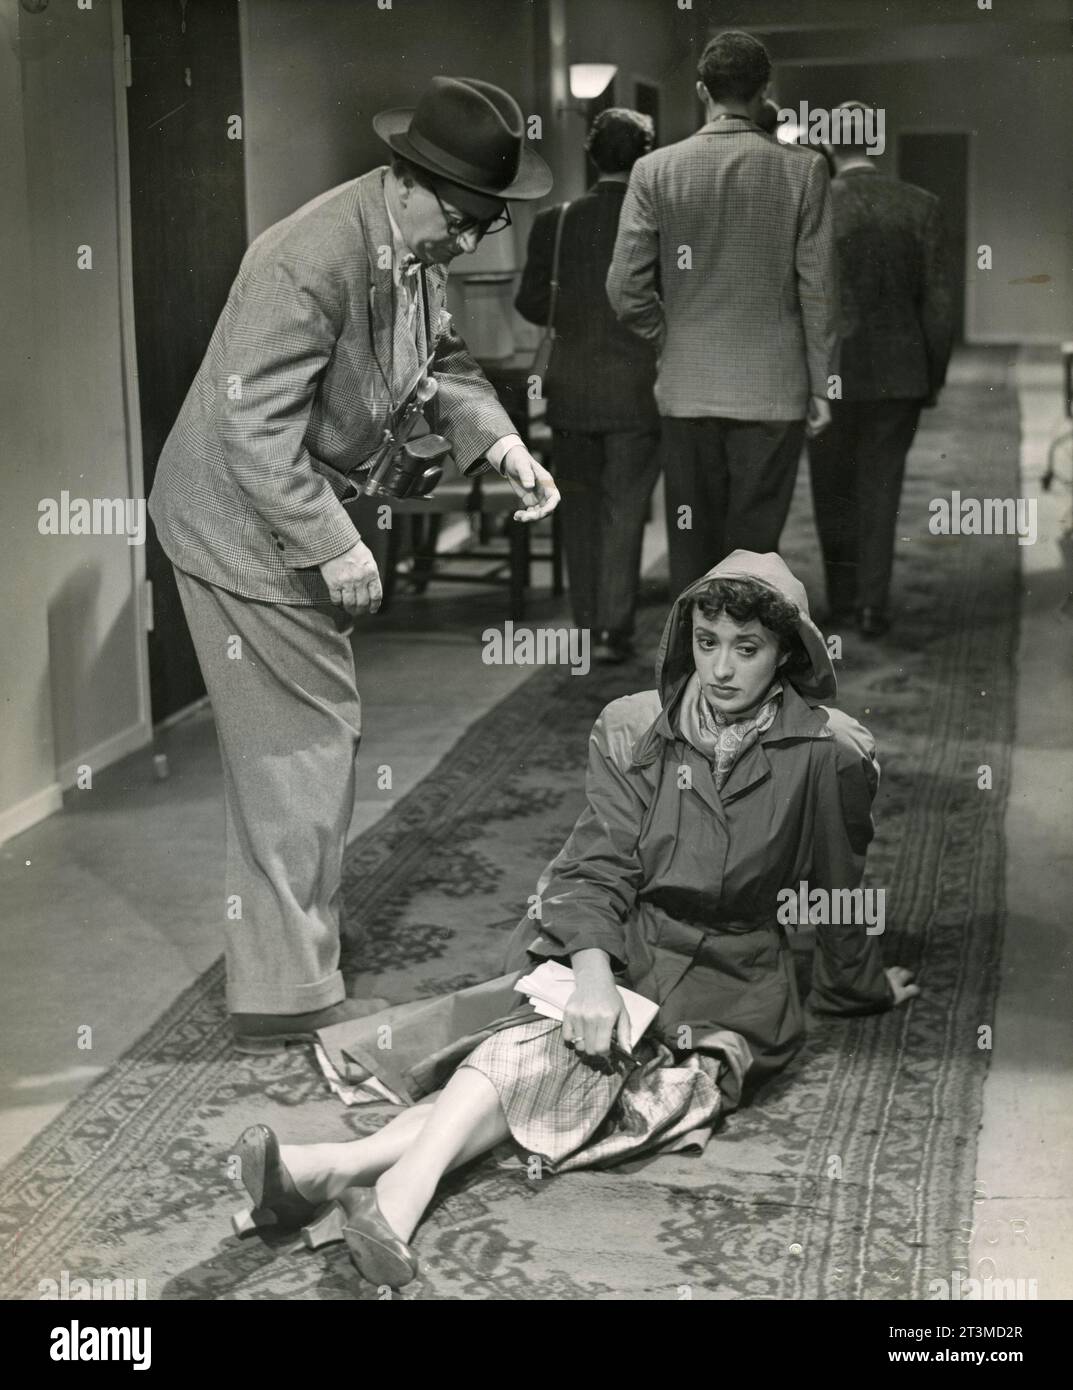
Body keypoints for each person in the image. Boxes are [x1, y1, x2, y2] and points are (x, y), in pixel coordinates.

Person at [232, 550, 919, 1288]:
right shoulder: (630, 727)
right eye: (706, 641)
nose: (720, 669)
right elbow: (595, 870)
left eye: (746, 649)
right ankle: (396, 1196)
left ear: (786, 651)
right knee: (548, 1046)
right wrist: (592, 974)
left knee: (639, 1099)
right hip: (623, 940)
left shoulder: (831, 751)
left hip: (731, 984)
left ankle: (333, 1168)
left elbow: (838, 883)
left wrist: (858, 983)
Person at [148, 78, 559, 1053]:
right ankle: (284, 994)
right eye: (463, 222)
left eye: (484, 228)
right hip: (233, 524)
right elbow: (248, 423)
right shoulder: (309, 254)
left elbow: (441, 363)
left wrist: (502, 447)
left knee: (309, 738)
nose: (469, 246)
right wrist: (331, 540)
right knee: (295, 748)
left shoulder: (414, 241)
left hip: (275, 511)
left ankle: (295, 952)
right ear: (407, 181)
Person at [606, 30, 839, 599]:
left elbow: (624, 289)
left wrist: (671, 335)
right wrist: (821, 384)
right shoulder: (803, 170)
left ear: (702, 89)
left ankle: (696, 670)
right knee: (757, 552)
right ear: (764, 91)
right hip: (773, 387)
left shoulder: (656, 171)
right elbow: (819, 292)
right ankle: (752, 674)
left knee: (693, 547)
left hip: (688, 386)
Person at [515, 108, 660, 664]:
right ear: (645, 155)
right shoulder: (656, 222)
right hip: (637, 389)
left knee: (577, 508)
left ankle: (585, 621)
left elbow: (530, 302)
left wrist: (574, 313)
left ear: (591, 155)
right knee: (625, 508)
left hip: (571, 389)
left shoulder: (557, 221)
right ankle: (615, 629)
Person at [807, 103, 955, 637]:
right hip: (899, 370)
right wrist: (931, 375)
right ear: (878, 143)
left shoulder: (814, 204)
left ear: (827, 146)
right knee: (882, 487)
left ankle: (842, 601)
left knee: (831, 490)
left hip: (830, 371)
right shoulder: (920, 205)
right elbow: (938, 306)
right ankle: (873, 604)